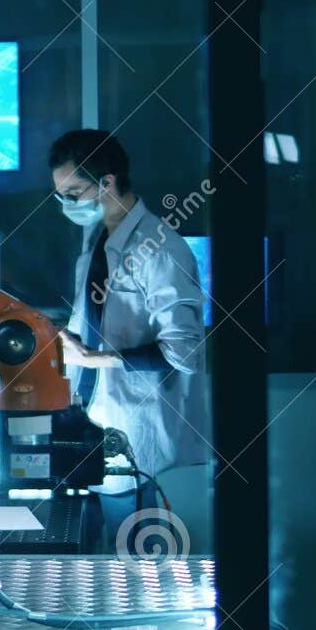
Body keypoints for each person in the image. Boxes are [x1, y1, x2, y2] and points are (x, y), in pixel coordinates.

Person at [47, 129, 209, 552]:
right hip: (96, 428)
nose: (66, 205)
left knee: (136, 567)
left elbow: (185, 352)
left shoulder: (160, 249)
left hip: (140, 441)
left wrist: (96, 358)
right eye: (60, 194)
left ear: (107, 182)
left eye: (74, 192)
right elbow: (99, 322)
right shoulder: (96, 240)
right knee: (94, 560)